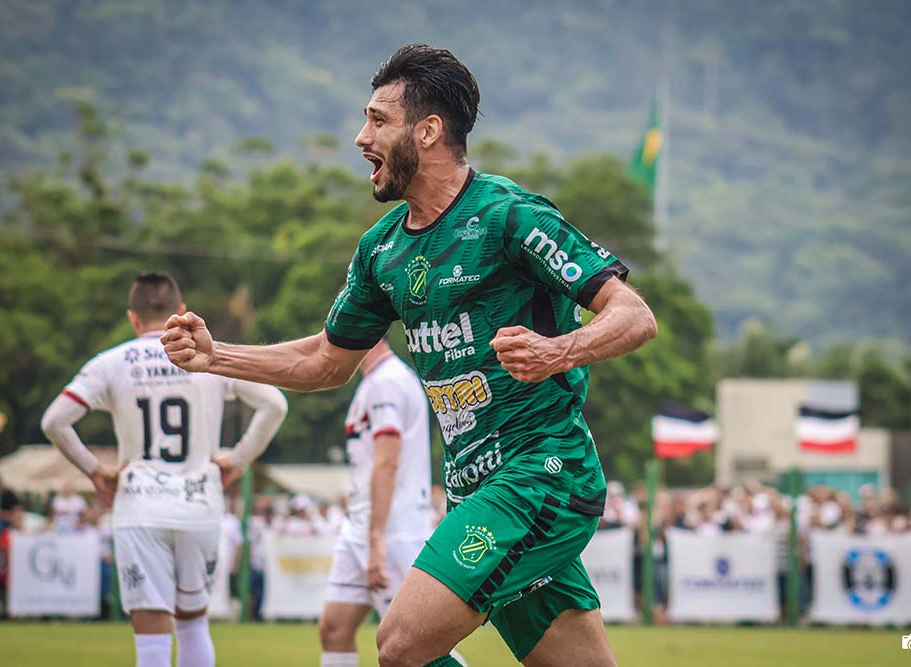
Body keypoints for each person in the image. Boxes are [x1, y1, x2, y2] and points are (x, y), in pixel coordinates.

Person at [162, 44, 656, 667]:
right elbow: (326, 360)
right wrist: (216, 356)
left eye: (377, 120)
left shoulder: (510, 216)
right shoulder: (382, 251)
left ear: (428, 131)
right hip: (476, 491)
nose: (360, 136)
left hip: (541, 476)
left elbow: (634, 315)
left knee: (401, 647)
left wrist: (559, 350)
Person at [41, 272, 288, 667]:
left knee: (152, 636)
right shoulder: (205, 358)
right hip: (199, 503)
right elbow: (275, 405)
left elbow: (55, 421)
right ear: (181, 312)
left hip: (140, 507)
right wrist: (237, 461)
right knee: (193, 624)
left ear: (133, 318)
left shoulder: (111, 362)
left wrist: (96, 471)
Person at [319, 338, 453, 667]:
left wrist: (376, 538)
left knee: (415, 648)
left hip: (392, 531)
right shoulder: (377, 380)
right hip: (364, 527)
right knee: (334, 628)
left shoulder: (388, 381)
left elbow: (387, 462)